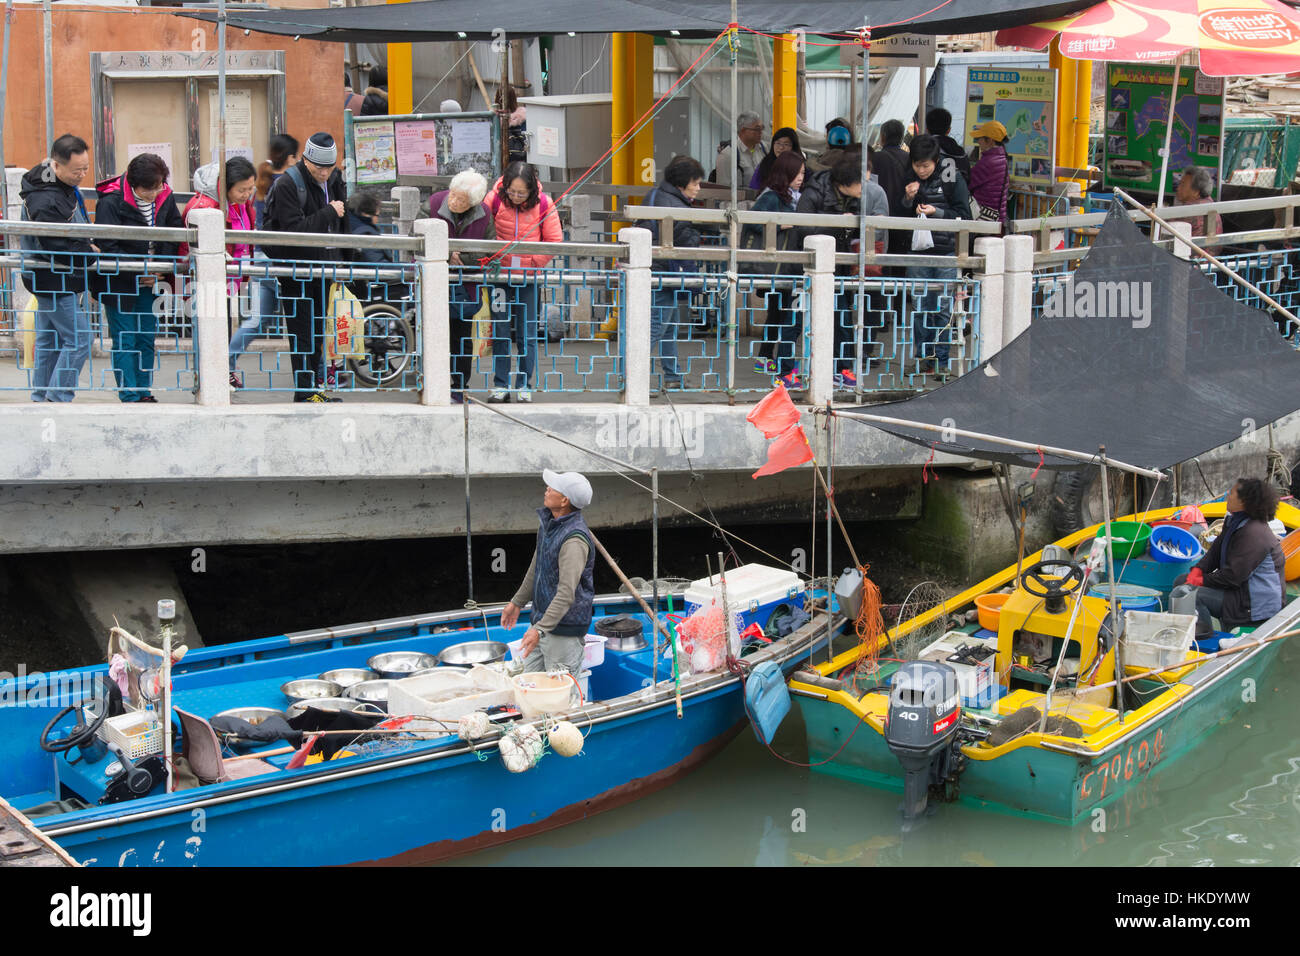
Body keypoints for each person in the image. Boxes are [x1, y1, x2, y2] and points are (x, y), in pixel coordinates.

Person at [92, 152, 185, 404]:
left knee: (146, 338)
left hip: (152, 281)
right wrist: (139, 270)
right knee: (125, 338)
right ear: (133, 184)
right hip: (120, 282)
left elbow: (173, 234)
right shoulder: (111, 202)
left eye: (158, 187)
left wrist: (159, 270)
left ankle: (144, 390)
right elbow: (108, 246)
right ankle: (129, 393)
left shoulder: (165, 196)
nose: (154, 194)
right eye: (148, 190)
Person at [263, 131, 348, 403]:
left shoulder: (334, 180)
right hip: (296, 270)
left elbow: (344, 222)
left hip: (324, 267)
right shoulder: (289, 184)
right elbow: (294, 231)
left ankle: (314, 389)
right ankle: (304, 391)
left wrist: (345, 263)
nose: (324, 173)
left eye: (329, 168)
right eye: (318, 168)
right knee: (302, 332)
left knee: (317, 330)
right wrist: (328, 212)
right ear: (306, 161)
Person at [797, 157, 888, 390]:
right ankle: (796, 370)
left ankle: (842, 369)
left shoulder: (851, 198)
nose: (863, 188)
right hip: (811, 267)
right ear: (846, 183)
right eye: (859, 183)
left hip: (841, 266)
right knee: (797, 323)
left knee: (843, 320)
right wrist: (837, 223)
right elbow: (804, 228)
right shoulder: (814, 192)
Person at [19, 134, 96, 402]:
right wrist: (89, 253)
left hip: (51, 277)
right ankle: (57, 396)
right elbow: (55, 243)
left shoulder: (55, 186)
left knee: (49, 341)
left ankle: (42, 397)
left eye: (86, 168)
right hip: (54, 278)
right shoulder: (45, 198)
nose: (82, 175)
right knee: (81, 339)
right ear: (56, 165)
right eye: (77, 170)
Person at [500, 469, 596, 676]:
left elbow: (566, 593)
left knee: (560, 699)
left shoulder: (574, 540)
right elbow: (537, 568)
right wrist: (517, 602)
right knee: (524, 683)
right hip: (543, 623)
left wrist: (539, 629)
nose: (547, 489)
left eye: (553, 488)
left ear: (564, 501)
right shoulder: (549, 525)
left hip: (563, 632)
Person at [180, 158, 259, 389]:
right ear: (225, 187)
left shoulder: (240, 205)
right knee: (211, 335)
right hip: (209, 281)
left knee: (223, 331)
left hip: (230, 280)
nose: (246, 194)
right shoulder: (206, 208)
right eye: (241, 189)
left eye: (250, 188)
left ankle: (223, 373)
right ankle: (212, 380)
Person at [487, 161, 561, 402]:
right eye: (512, 191)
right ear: (505, 185)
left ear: (531, 190)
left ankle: (524, 384)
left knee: (527, 333)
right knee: (499, 331)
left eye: (522, 193)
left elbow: (553, 240)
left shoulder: (545, 204)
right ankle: (500, 384)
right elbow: (481, 229)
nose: (516, 197)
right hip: (499, 276)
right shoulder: (494, 199)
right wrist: (490, 258)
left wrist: (533, 263)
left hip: (528, 279)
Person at [902, 134, 971, 376]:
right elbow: (898, 212)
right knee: (920, 305)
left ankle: (940, 360)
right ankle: (923, 359)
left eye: (925, 165)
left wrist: (937, 212)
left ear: (936, 160)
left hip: (945, 252)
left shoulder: (952, 176)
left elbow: (964, 214)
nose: (920, 170)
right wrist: (907, 199)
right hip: (917, 251)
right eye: (916, 165)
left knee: (941, 308)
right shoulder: (908, 175)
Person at [1182, 478, 1285, 639]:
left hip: (1252, 604)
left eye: (1232, 493)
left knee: (1192, 595)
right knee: (1181, 582)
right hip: (1238, 590)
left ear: (1245, 502)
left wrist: (1201, 581)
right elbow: (1215, 552)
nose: (1227, 496)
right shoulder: (1234, 520)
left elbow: (1233, 576)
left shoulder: (1254, 533)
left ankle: (1202, 634)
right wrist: (1198, 570)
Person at [429, 169, 495, 403]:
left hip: (465, 287)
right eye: (453, 195)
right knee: (433, 335)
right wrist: (446, 253)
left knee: (462, 338)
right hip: (433, 285)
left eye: (462, 200)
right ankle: (431, 383)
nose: (454, 202)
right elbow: (414, 241)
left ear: (473, 203)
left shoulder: (484, 214)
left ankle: (459, 385)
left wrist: (463, 259)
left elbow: (490, 251)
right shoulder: (434, 203)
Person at [644, 155, 710, 389]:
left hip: (654, 270)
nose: (698, 189)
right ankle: (631, 377)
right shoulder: (678, 206)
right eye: (696, 183)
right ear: (682, 183)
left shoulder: (655, 195)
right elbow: (685, 243)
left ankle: (672, 376)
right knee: (656, 327)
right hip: (665, 272)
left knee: (668, 326)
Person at [744, 151, 806, 384]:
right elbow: (754, 223)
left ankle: (766, 356)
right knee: (781, 312)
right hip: (776, 265)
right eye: (797, 173)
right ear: (786, 173)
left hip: (786, 265)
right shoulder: (772, 197)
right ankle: (770, 358)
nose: (801, 177)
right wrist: (782, 225)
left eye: (802, 173)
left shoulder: (793, 196)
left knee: (778, 311)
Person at [969, 120, 1010, 225]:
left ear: (990, 140)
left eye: (980, 138)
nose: (978, 141)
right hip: (998, 216)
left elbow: (968, 183)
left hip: (984, 218)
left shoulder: (988, 162)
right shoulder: (1002, 158)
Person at [1175, 166, 1222, 256]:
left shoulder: (1190, 210)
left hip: (1193, 263)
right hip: (1209, 262)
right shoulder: (1209, 202)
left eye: (1182, 184)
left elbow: (1162, 228)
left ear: (1196, 191)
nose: (1178, 188)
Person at [714, 111, 768, 188]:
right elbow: (724, 191)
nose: (761, 132)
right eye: (757, 129)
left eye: (762, 128)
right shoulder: (728, 155)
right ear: (743, 131)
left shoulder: (764, 149)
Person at [925, 107, 972, 185]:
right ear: (949, 130)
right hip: (958, 195)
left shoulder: (924, 149)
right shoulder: (961, 153)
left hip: (932, 195)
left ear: (927, 130)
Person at [749, 126, 802, 192]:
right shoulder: (764, 165)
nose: (781, 147)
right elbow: (754, 189)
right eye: (778, 143)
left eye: (786, 144)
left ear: (794, 147)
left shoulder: (800, 167)